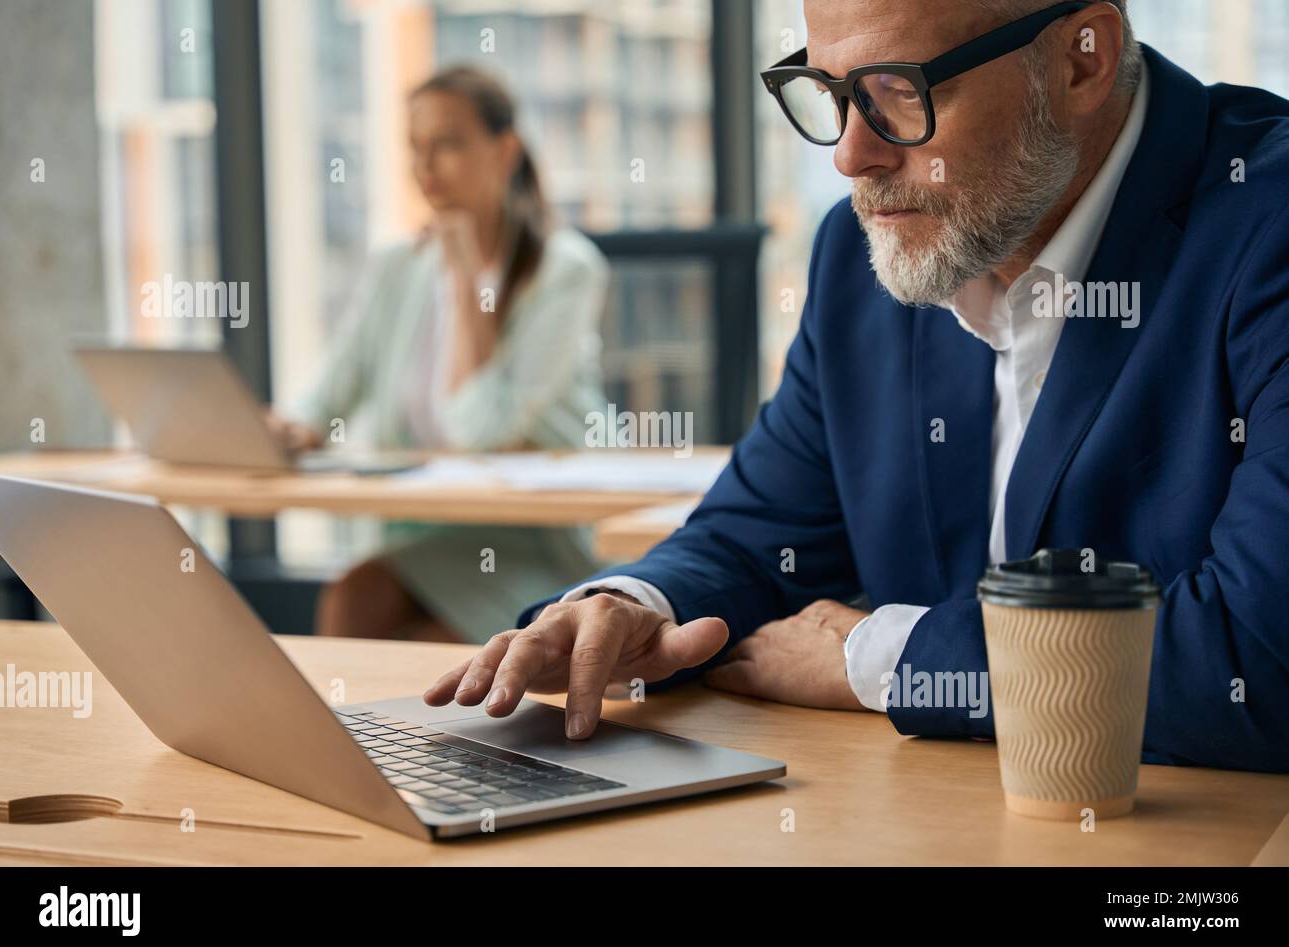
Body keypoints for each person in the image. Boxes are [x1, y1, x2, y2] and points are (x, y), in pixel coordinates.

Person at [425, 0, 1289, 773]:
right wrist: (630, 606)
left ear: (1081, 60)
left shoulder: (1267, 221)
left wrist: (881, 657)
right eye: (826, 92)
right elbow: (760, 530)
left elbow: (1260, 655)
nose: (849, 156)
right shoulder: (865, 254)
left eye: (898, 91)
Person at [268, 65, 610, 644]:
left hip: (527, 539)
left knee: (430, 652)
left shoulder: (565, 270)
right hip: (419, 533)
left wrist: (466, 280)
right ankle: (337, 736)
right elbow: (332, 389)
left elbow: (484, 428)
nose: (426, 167)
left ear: (504, 152)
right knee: (351, 595)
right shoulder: (397, 267)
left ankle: (398, 736)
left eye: (447, 144)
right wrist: (288, 427)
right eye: (415, 148)